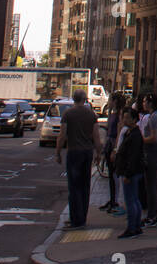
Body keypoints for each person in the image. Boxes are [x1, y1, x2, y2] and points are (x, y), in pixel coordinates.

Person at [56, 89, 103, 228]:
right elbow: (96, 135)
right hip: (87, 152)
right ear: (85, 99)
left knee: (74, 186)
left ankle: (75, 218)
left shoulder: (68, 114)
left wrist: (58, 152)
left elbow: (62, 135)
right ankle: (82, 218)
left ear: (73, 99)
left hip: (73, 152)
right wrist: (99, 153)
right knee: (84, 186)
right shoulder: (91, 114)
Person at [113, 107, 145, 237]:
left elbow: (133, 157)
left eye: (127, 117)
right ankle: (136, 226)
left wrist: (128, 173)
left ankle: (132, 228)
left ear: (134, 119)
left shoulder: (135, 135)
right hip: (131, 170)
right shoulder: (130, 132)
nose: (124, 120)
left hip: (131, 172)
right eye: (124, 117)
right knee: (134, 199)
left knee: (131, 200)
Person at [99, 92, 126, 216]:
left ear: (115, 101)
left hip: (113, 145)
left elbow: (119, 132)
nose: (108, 102)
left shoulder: (120, 115)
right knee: (110, 174)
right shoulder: (113, 114)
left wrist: (115, 149)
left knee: (114, 175)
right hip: (109, 144)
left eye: (110, 100)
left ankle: (115, 201)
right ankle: (112, 199)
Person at [140, 94, 157, 227]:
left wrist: (141, 139)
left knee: (151, 185)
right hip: (151, 151)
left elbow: (155, 137)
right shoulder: (154, 115)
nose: (143, 103)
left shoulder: (154, 117)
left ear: (150, 103)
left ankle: (152, 216)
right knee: (150, 184)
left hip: (152, 152)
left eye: (144, 101)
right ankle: (151, 214)